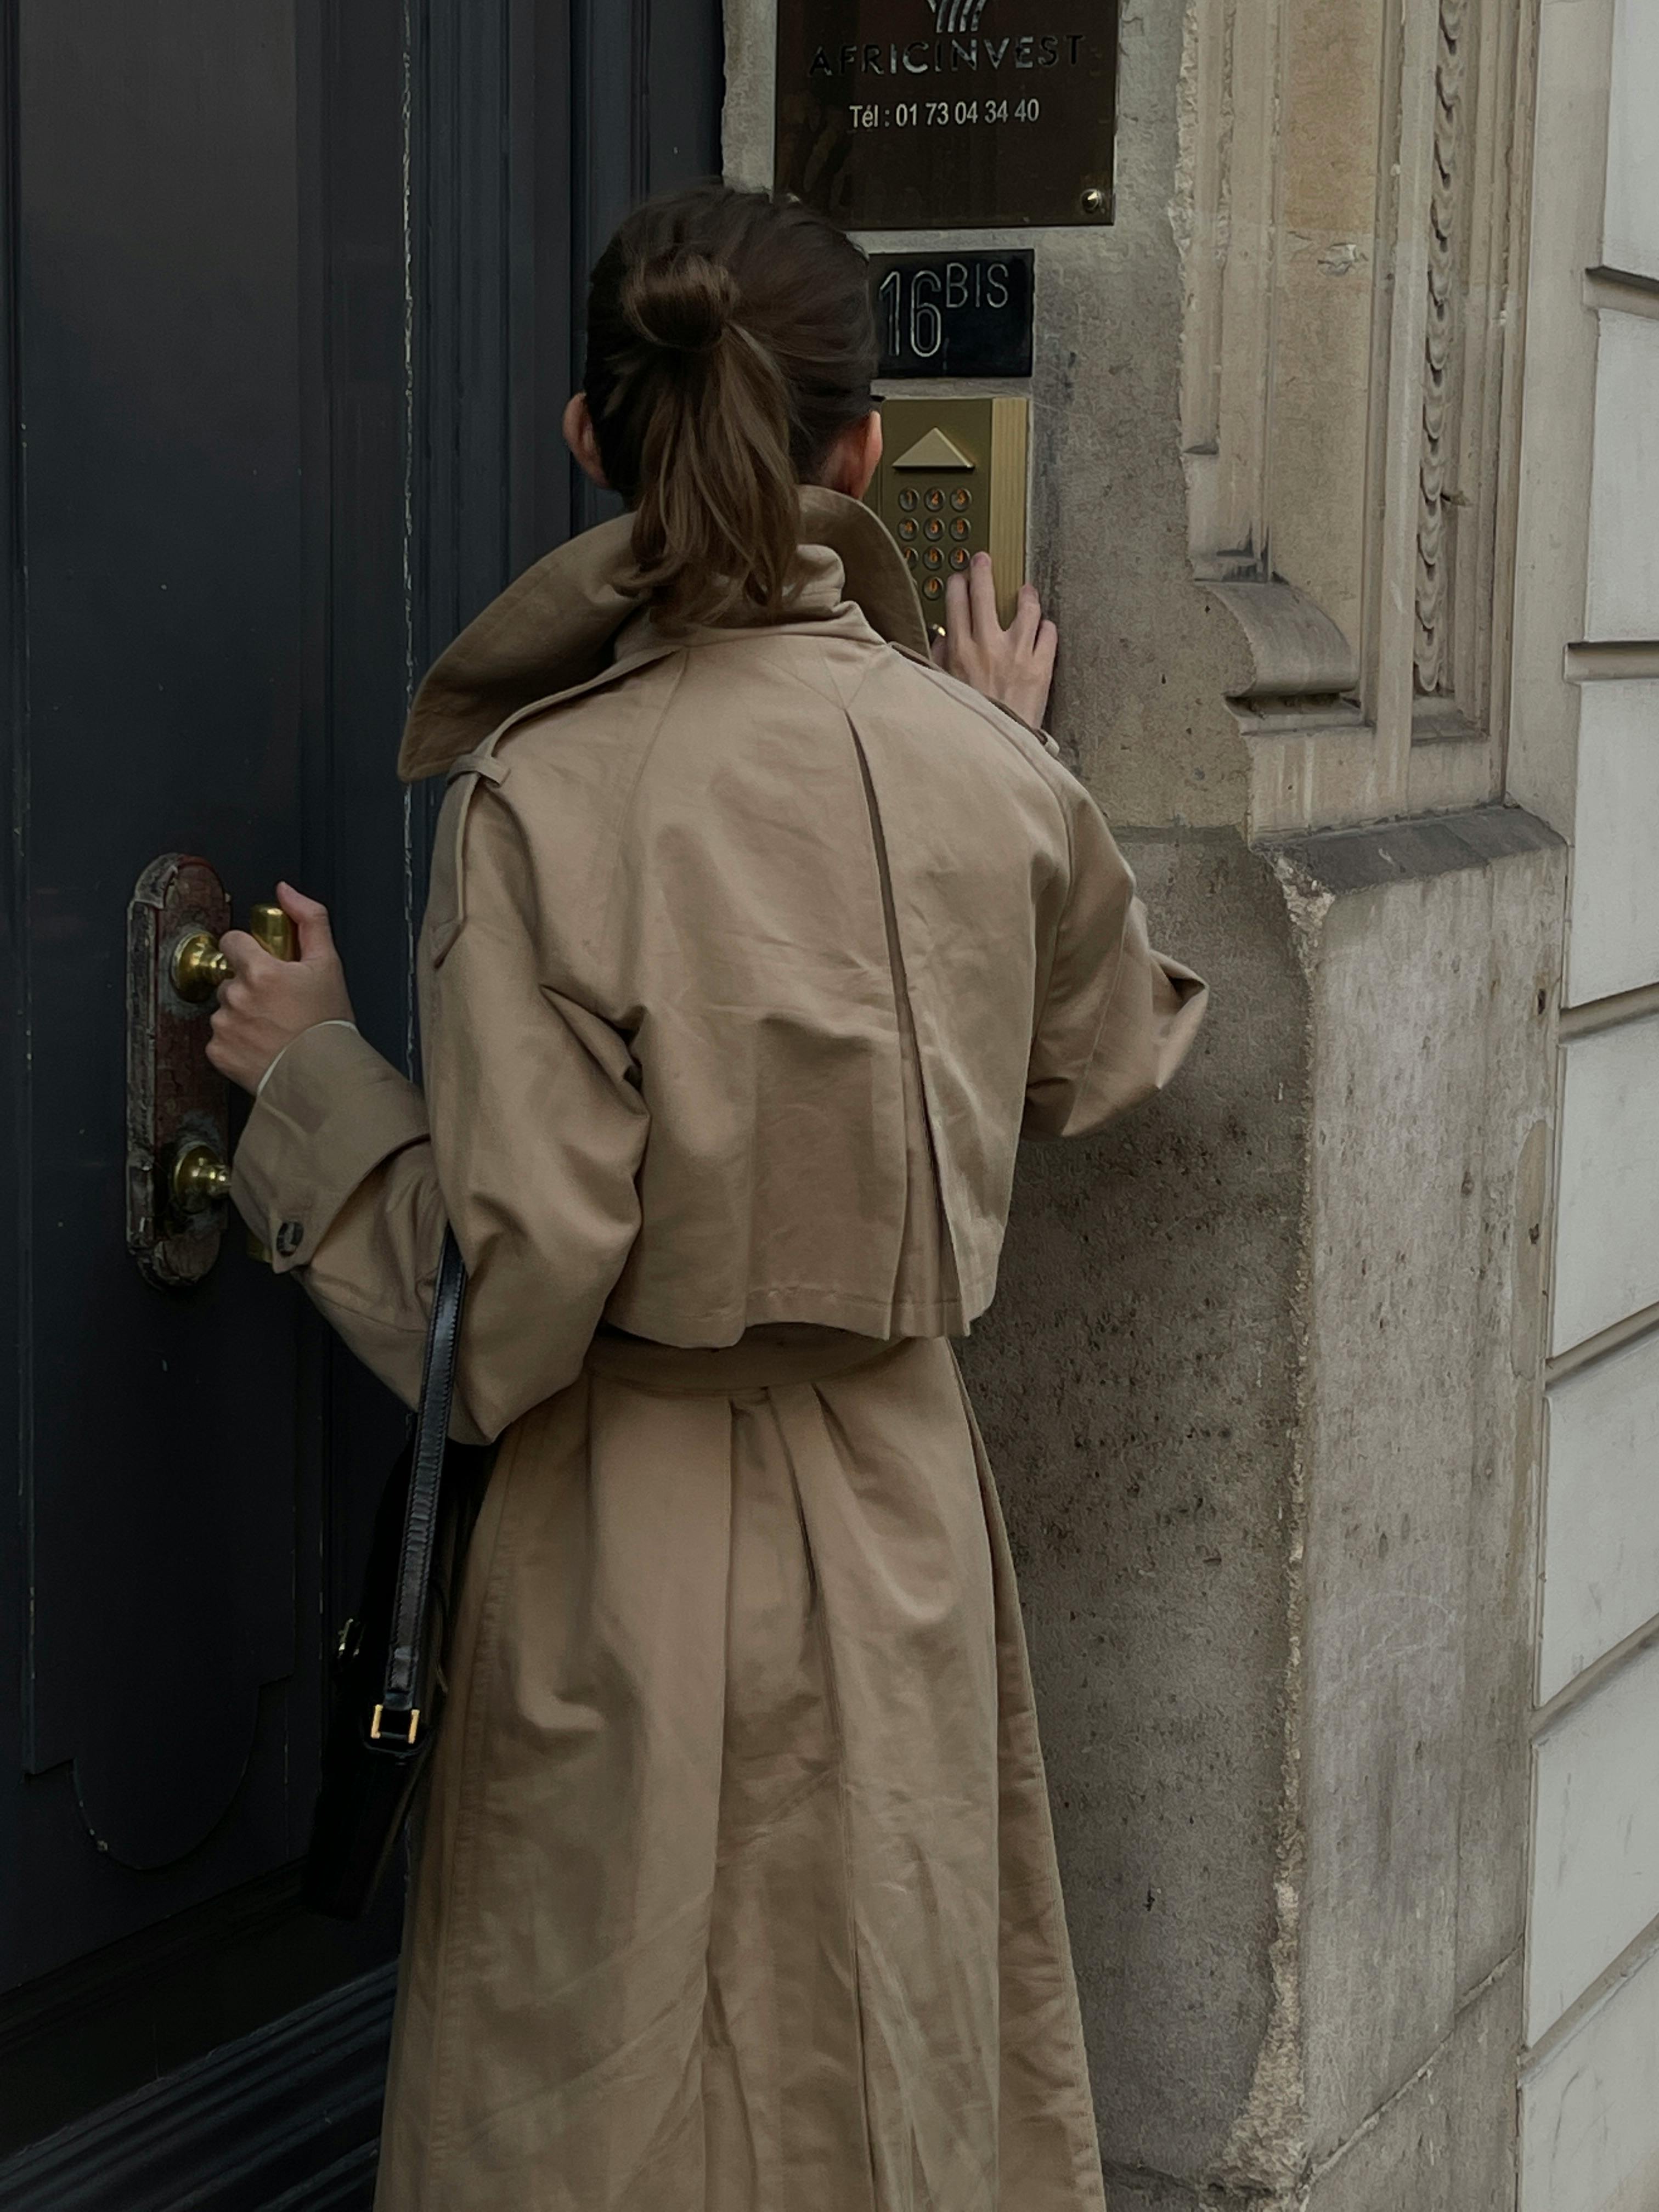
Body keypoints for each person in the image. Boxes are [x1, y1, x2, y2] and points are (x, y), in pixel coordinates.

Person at [208, 182, 1206, 2212]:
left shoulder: (542, 796)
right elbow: (1099, 1054)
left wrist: (311, 1089)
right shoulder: (987, 778)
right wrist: (990, 766)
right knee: (890, 2101)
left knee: (602, 2123)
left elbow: (512, 1306)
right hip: (903, 1528)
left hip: (625, 1542)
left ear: (593, 433)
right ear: (865, 448)